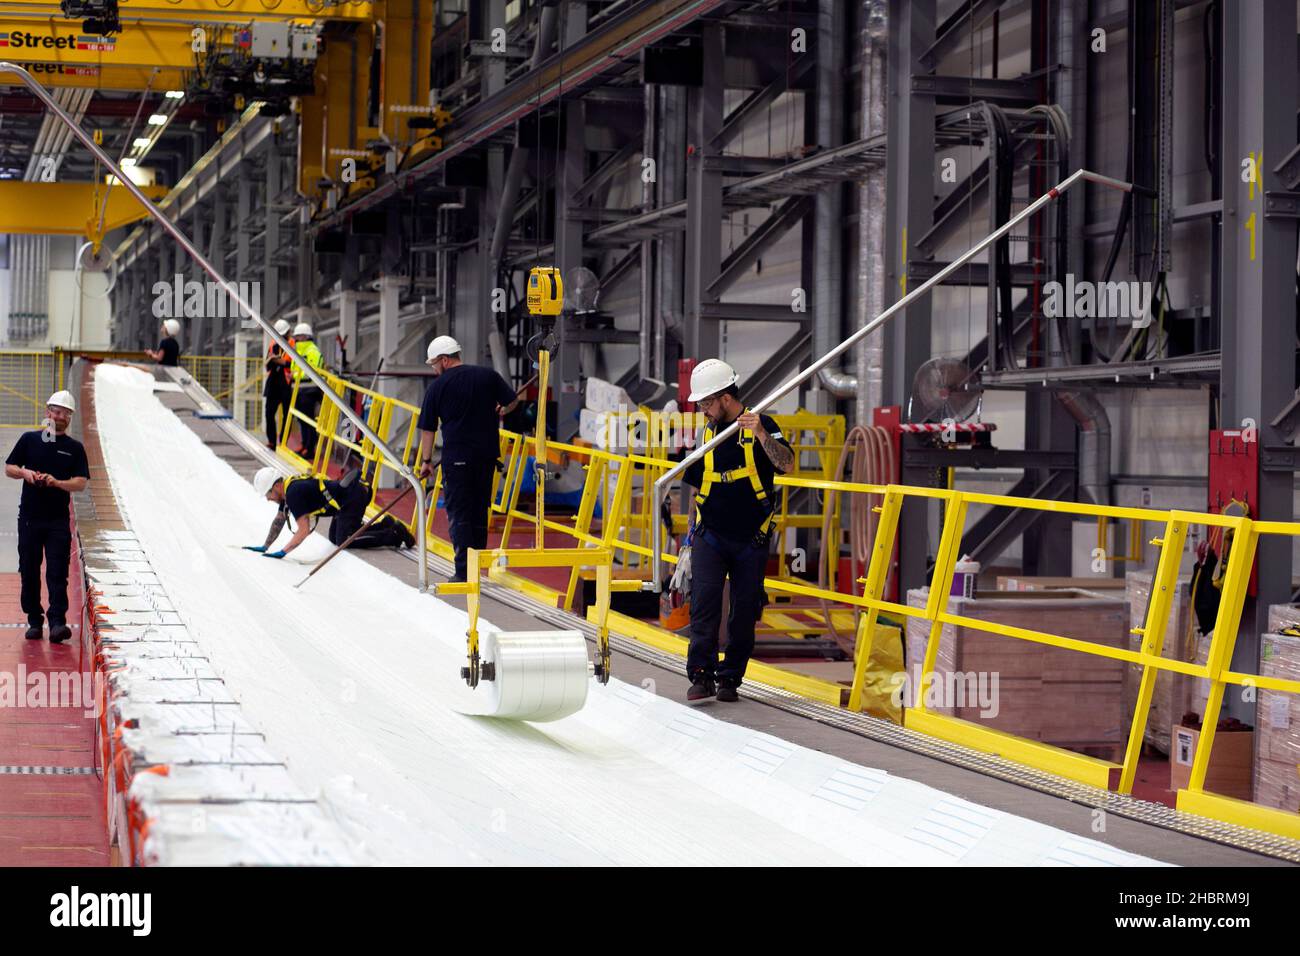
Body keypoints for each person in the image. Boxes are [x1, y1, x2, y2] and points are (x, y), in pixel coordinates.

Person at [680, 359, 793, 703]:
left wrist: (760, 433)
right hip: (710, 536)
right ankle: (701, 675)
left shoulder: (763, 426)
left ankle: (731, 678)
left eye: (706, 404)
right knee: (704, 604)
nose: (703, 411)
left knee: (744, 610)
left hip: (751, 539)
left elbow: (786, 464)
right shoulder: (707, 435)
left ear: (725, 397)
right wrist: (688, 541)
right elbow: (697, 489)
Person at [415, 335, 518, 583]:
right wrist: (501, 410)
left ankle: (463, 573)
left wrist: (426, 461)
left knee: (460, 514)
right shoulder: (488, 376)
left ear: (444, 360)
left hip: (457, 459)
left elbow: (428, 429)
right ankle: (477, 569)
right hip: (486, 457)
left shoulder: (437, 388)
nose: (434, 369)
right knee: (479, 512)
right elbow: (513, 400)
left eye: (434, 364)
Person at [3, 391, 90, 643]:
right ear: (46, 412)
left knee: (57, 572)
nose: (58, 416)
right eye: (54, 411)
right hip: (29, 519)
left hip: (57, 521)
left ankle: (57, 623)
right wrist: (26, 474)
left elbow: (81, 483)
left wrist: (57, 482)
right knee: (29, 570)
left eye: (63, 413)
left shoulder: (75, 449)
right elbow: (9, 468)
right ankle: (33, 619)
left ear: (69, 417)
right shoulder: (29, 440)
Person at [245, 463, 414, 558]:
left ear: (276, 486)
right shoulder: (288, 489)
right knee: (334, 537)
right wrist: (265, 546)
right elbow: (279, 519)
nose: (268, 498)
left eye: (268, 493)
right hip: (346, 499)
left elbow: (303, 530)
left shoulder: (293, 494)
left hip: (354, 496)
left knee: (344, 540)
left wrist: (283, 552)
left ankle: (393, 535)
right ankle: (386, 524)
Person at [290, 321, 325, 459]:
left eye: (299, 336)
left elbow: (312, 370)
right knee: (302, 420)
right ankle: (305, 445)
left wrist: (295, 376)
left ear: (305, 337)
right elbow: (295, 368)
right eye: (296, 336)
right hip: (299, 389)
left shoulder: (312, 351)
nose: (296, 339)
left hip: (309, 389)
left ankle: (310, 449)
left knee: (308, 420)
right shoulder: (298, 351)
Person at [264, 319, 295, 451]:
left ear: (288, 332)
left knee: (288, 415)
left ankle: (283, 443)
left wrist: (283, 363)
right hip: (273, 384)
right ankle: (272, 442)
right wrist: (273, 360)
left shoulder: (294, 345)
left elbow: (296, 364)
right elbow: (267, 364)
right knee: (269, 414)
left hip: (287, 384)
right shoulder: (273, 344)